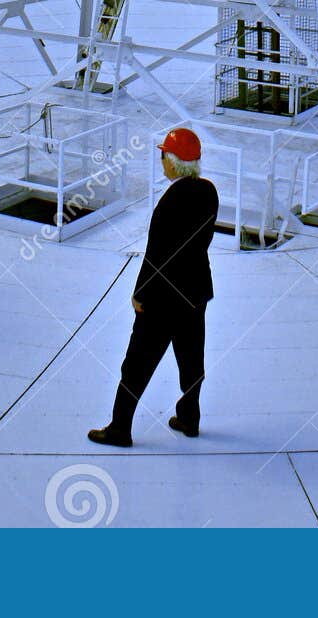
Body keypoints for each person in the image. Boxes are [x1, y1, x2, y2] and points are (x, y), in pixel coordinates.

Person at [89, 126, 219, 448]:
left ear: (174, 162)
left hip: (163, 297)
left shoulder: (171, 201)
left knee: (137, 363)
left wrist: (140, 293)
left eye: (163, 155)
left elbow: (157, 254)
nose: (161, 161)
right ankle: (190, 417)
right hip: (195, 291)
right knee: (191, 359)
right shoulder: (209, 193)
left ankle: (120, 427)